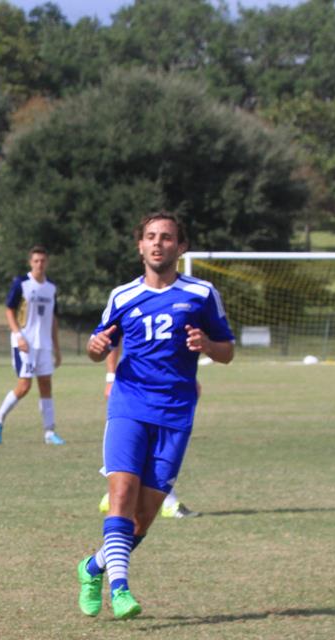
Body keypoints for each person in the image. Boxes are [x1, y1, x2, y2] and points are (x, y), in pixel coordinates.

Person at [79, 212, 233, 619]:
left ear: (180, 247)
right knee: (121, 496)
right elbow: (99, 345)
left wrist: (207, 345)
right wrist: (95, 350)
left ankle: (93, 566)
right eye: (150, 237)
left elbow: (228, 351)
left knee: (143, 519)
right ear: (140, 246)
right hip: (129, 405)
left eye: (167, 237)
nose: (158, 243)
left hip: (176, 412)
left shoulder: (201, 294)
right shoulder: (122, 295)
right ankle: (121, 589)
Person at [97, 349, 200, 519]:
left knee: (154, 446)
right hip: (135, 386)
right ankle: (166, 501)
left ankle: (115, 495)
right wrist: (111, 376)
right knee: (135, 443)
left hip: (169, 379)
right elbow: (111, 337)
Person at [0, 245, 65, 445]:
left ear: (47, 262)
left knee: (46, 386)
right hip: (25, 343)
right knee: (24, 386)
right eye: (36, 261)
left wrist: (57, 348)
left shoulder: (51, 288)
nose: (40, 264)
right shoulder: (21, 283)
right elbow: (9, 310)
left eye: (43, 261)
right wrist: (18, 335)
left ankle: (49, 433)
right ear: (30, 262)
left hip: (44, 344)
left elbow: (53, 319)